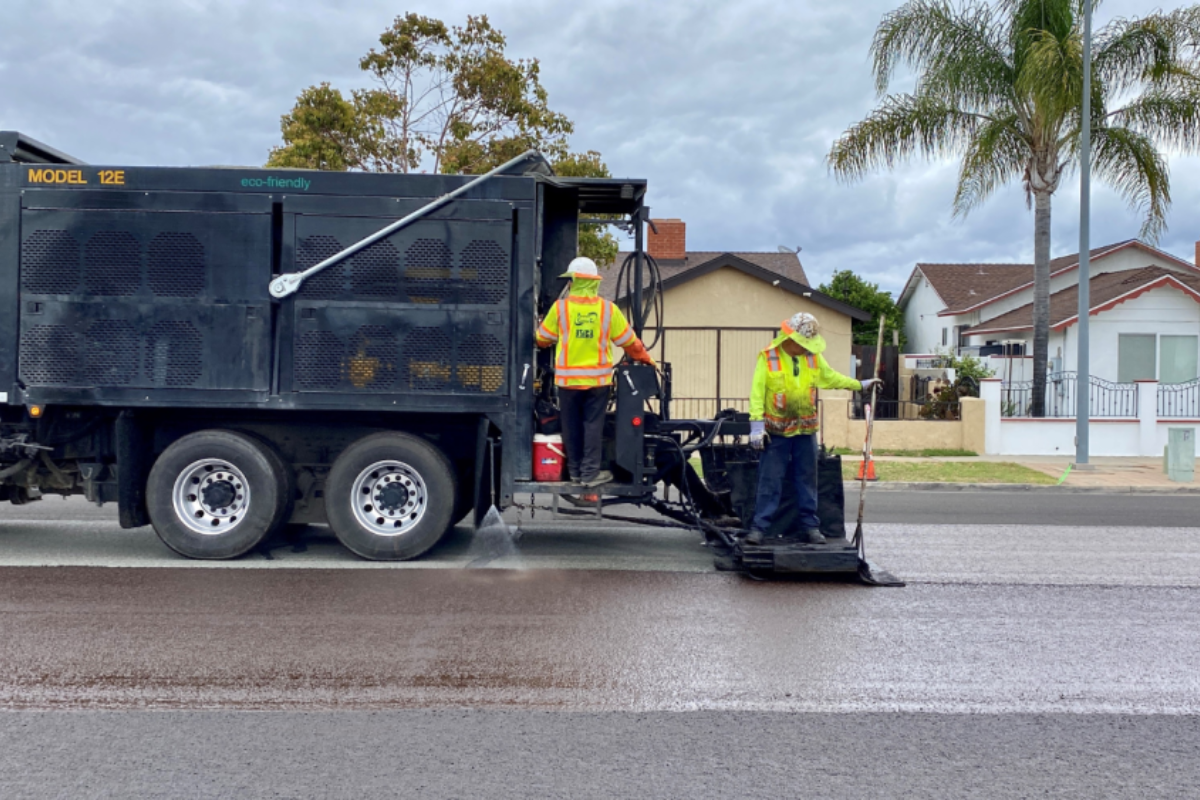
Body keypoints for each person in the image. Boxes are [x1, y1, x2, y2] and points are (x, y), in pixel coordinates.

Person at [746, 312, 879, 545]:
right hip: (776, 432)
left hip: (805, 431)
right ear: (791, 338)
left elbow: (830, 378)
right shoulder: (768, 358)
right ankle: (760, 528)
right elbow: (757, 393)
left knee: (807, 480)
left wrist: (859, 385)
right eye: (802, 344)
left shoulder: (813, 358)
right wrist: (757, 426)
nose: (805, 348)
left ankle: (810, 526)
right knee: (770, 481)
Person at [536, 257, 656, 487]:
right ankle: (590, 474)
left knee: (570, 426)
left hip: (568, 383)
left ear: (573, 282)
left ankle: (574, 472)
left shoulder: (560, 309)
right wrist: (647, 359)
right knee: (592, 425)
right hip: (598, 382)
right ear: (594, 283)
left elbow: (541, 339)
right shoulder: (607, 309)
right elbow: (630, 343)